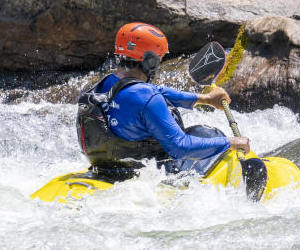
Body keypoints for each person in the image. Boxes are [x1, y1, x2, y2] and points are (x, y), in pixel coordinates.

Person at [75, 22, 251, 179]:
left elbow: (157, 91)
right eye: (159, 59)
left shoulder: (105, 84)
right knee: (208, 134)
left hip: (109, 168)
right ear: (150, 61)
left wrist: (205, 99)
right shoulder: (147, 97)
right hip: (144, 175)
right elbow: (180, 147)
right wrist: (231, 142)